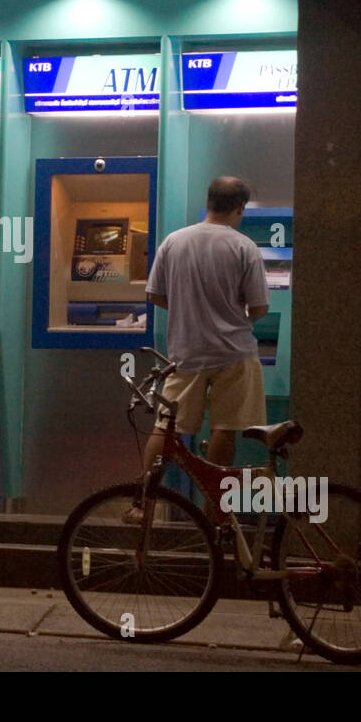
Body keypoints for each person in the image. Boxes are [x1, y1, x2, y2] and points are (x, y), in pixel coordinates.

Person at [124, 176, 269, 522]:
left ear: (208, 201)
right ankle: (214, 513)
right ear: (239, 208)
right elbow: (259, 308)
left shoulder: (174, 242)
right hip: (234, 354)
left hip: (185, 354)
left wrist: (191, 313)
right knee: (224, 429)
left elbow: (155, 295)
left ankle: (143, 504)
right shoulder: (244, 247)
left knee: (165, 427)